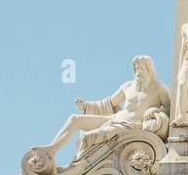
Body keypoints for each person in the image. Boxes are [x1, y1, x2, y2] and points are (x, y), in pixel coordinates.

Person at [32, 55, 170, 158]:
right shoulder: (127, 86)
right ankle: (51, 150)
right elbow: (109, 103)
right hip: (115, 119)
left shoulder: (159, 89)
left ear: (149, 70)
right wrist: (87, 105)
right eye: (136, 68)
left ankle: (79, 168)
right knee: (74, 119)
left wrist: (155, 110)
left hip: (129, 126)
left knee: (86, 138)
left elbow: (171, 110)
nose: (138, 72)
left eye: (141, 68)